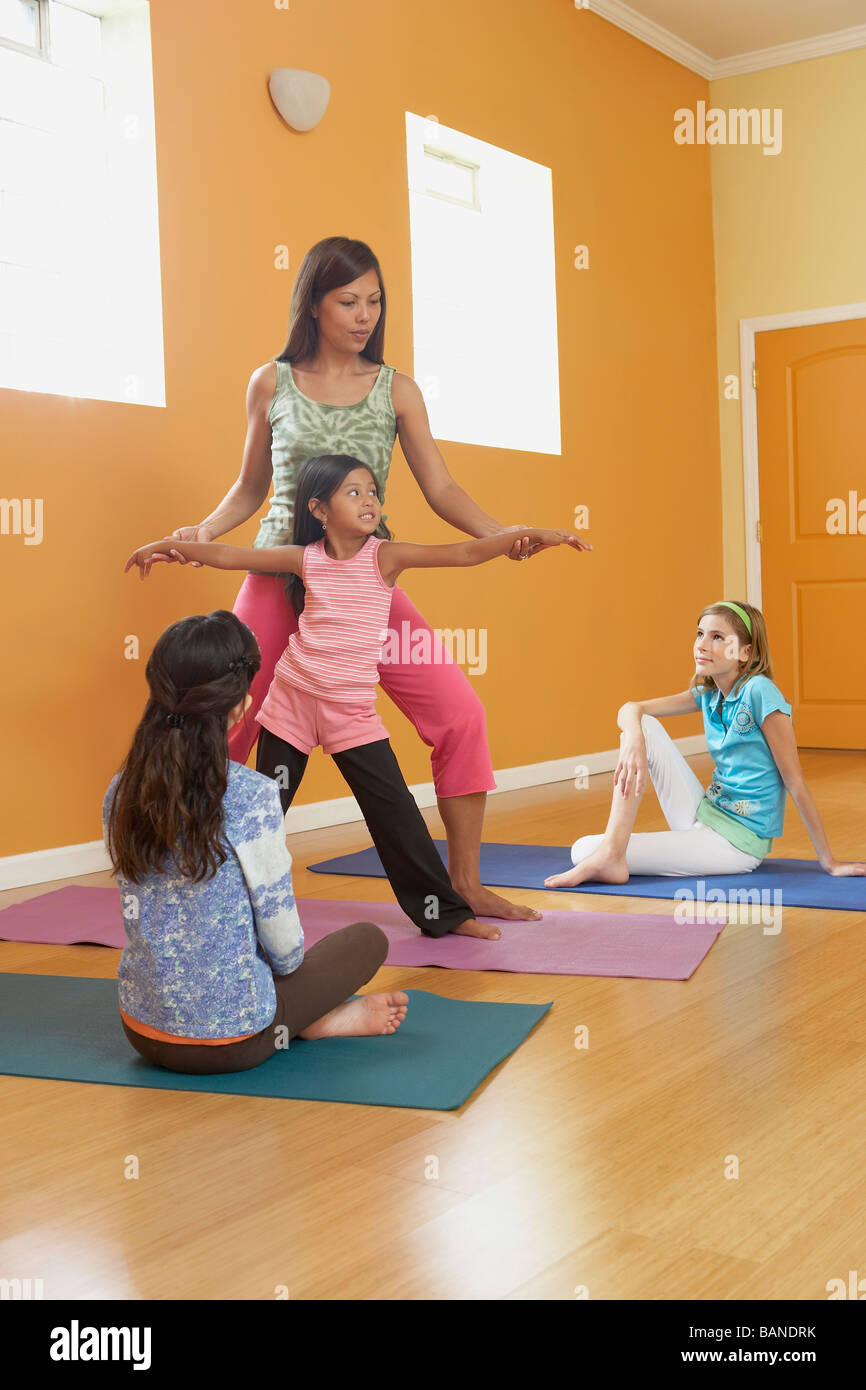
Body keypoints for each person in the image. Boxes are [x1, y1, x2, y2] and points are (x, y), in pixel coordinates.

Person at [155, 235, 583, 923]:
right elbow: (250, 487)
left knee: (459, 714)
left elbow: (441, 486)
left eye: (374, 301)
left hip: (360, 584)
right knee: (224, 721)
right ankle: (196, 883)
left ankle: (465, 883)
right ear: (314, 305)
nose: (364, 314)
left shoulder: (396, 391)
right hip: (278, 572)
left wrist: (503, 536)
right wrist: (202, 533)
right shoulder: (270, 382)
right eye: (348, 300)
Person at [127, 455, 587, 941]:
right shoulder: (303, 559)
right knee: (261, 813)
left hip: (350, 714)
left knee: (396, 815)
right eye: (353, 492)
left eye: (372, 491)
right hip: (293, 705)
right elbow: (232, 557)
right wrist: (170, 546)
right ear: (319, 510)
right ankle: (210, 902)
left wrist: (536, 533)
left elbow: (465, 553)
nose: (369, 500)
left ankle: (444, 913)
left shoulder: (385, 557)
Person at [102, 610, 408, 1076]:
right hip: (231, 1043)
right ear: (240, 707)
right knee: (367, 940)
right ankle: (310, 1020)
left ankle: (302, 1018)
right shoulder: (252, 797)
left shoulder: (121, 789)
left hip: (141, 1030)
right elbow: (284, 951)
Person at [544, 600, 866, 887]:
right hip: (703, 814)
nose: (702, 644)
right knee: (640, 730)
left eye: (717, 637)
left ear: (745, 652)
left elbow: (794, 781)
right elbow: (632, 709)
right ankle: (612, 854)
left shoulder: (759, 692)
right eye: (700, 634)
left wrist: (829, 862)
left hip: (734, 844)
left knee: (584, 850)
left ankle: (611, 856)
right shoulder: (709, 693)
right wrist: (633, 741)